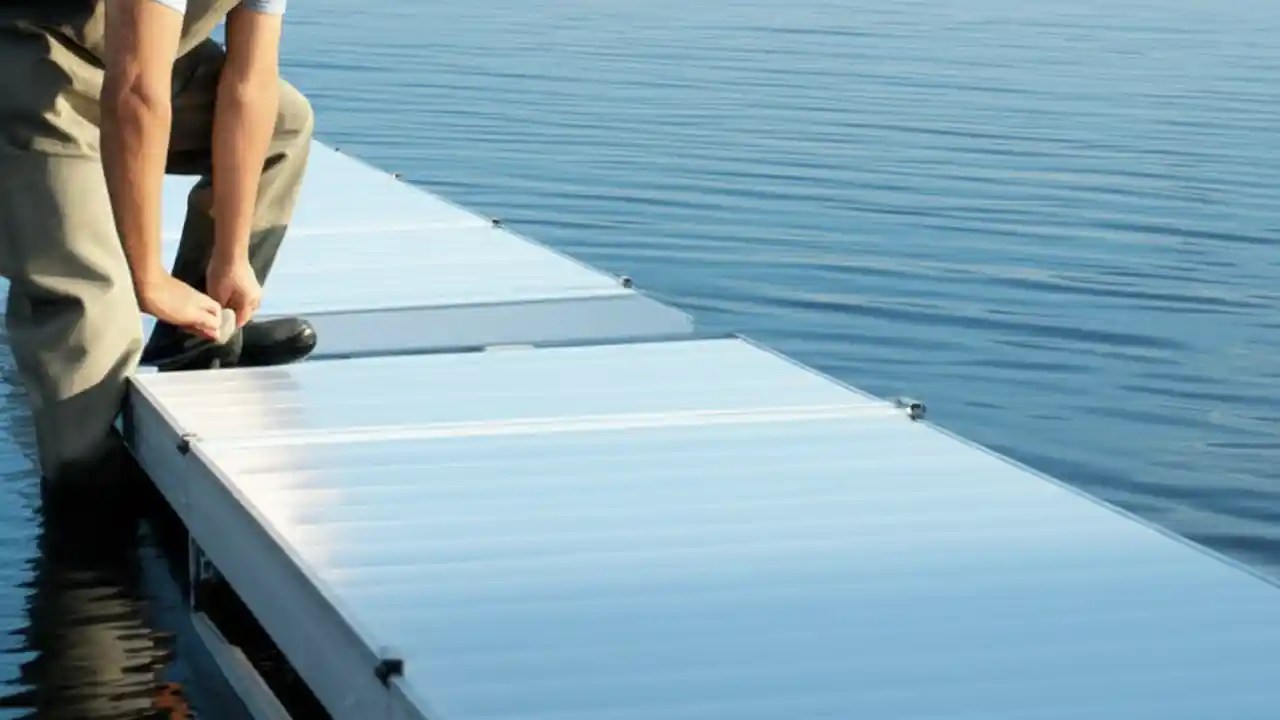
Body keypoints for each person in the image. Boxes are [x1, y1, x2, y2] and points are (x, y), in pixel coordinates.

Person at [0, 0, 318, 498]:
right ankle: (86, 513)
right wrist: (147, 278)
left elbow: (249, 85)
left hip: (128, 58)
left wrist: (231, 253)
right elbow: (135, 92)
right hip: (33, 61)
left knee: (283, 120)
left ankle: (201, 334)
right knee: (93, 305)